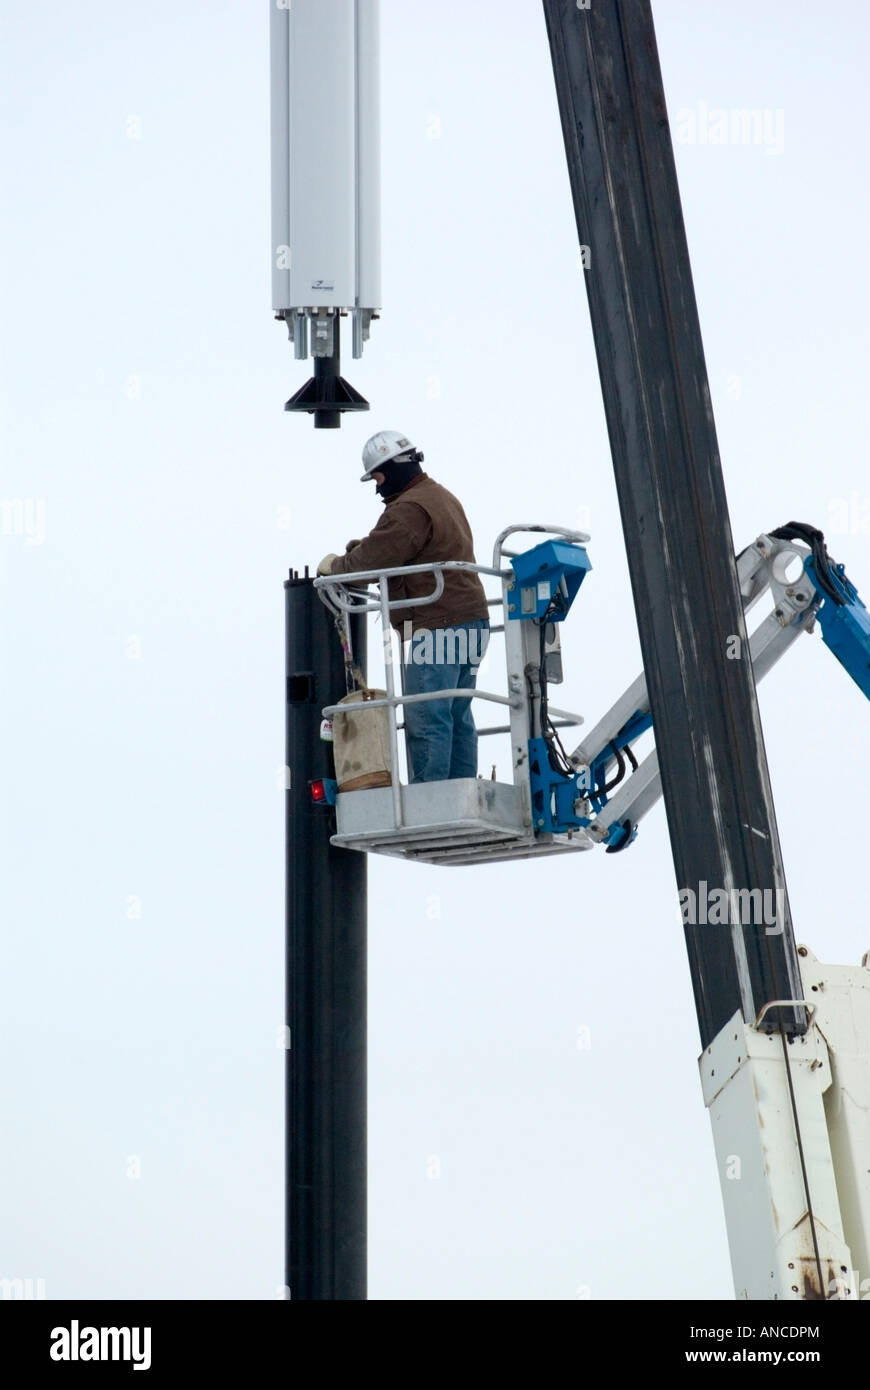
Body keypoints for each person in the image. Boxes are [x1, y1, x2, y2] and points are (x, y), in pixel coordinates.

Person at [318, 430, 490, 783]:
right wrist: (360, 550)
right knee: (456, 714)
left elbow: (372, 561)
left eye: (378, 478)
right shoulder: (437, 496)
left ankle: (432, 799)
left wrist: (335, 568)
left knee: (427, 715)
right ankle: (459, 794)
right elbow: (394, 547)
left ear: (393, 467)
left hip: (438, 624)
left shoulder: (409, 508)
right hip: (470, 620)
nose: (377, 488)